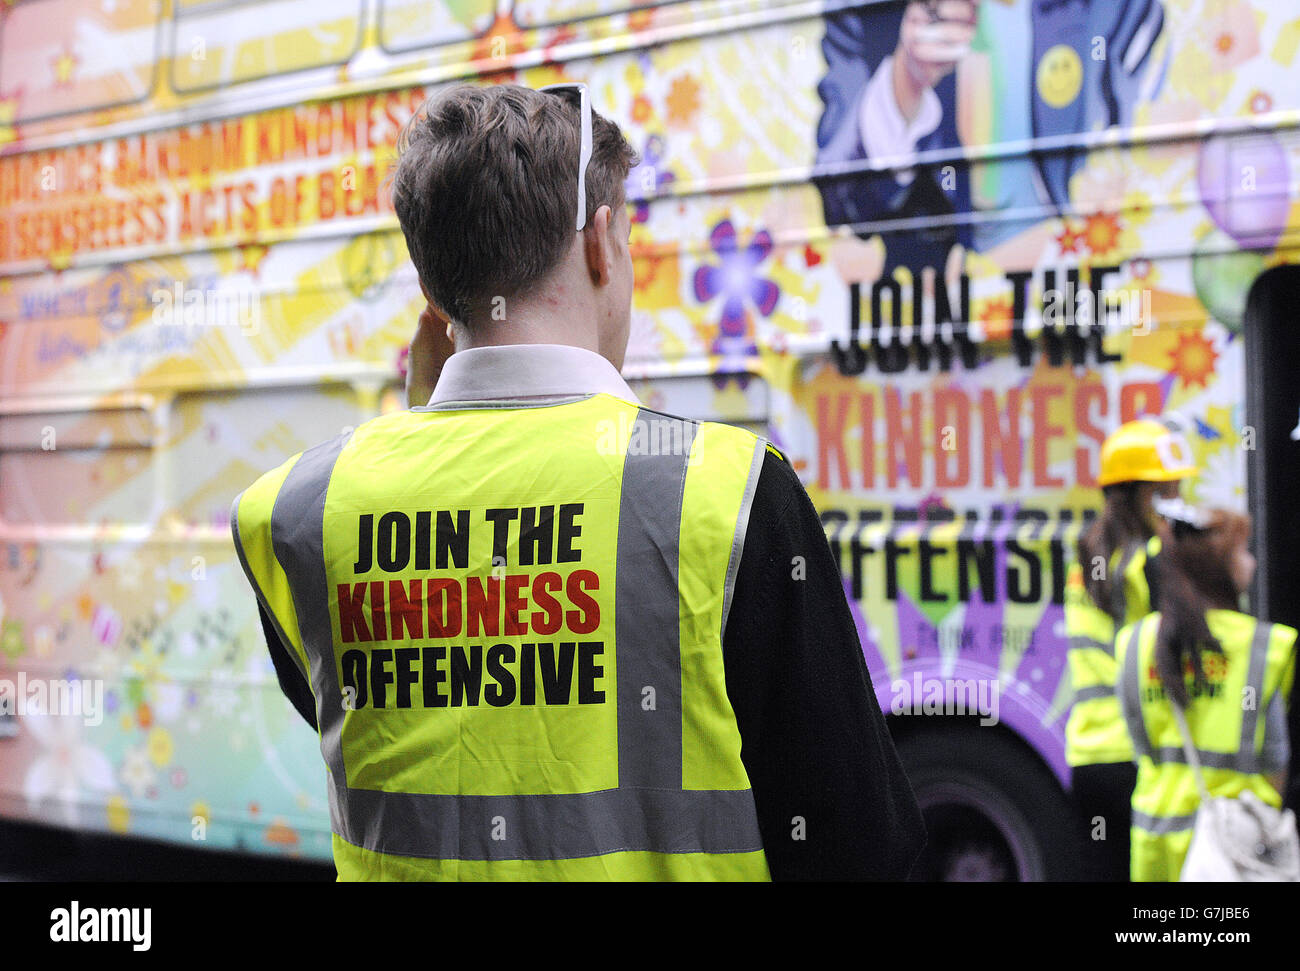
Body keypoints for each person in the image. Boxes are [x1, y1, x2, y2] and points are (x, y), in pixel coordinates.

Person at [230, 82, 925, 881]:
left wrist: (422, 427)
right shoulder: (732, 497)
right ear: (601, 243)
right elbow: (862, 847)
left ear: (431, 287)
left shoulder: (297, 512)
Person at [1115, 504, 1297, 881]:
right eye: (1243, 552)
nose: (1252, 563)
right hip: (1236, 850)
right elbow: (1276, 758)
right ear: (1218, 567)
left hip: (1156, 847)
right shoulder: (1261, 646)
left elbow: (1139, 745)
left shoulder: (1135, 642)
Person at [1064, 418, 1196, 881]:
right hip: (1139, 757)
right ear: (1132, 492)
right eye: (1163, 491)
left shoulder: (1088, 555)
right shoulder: (1149, 560)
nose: (1172, 503)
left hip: (1089, 759)